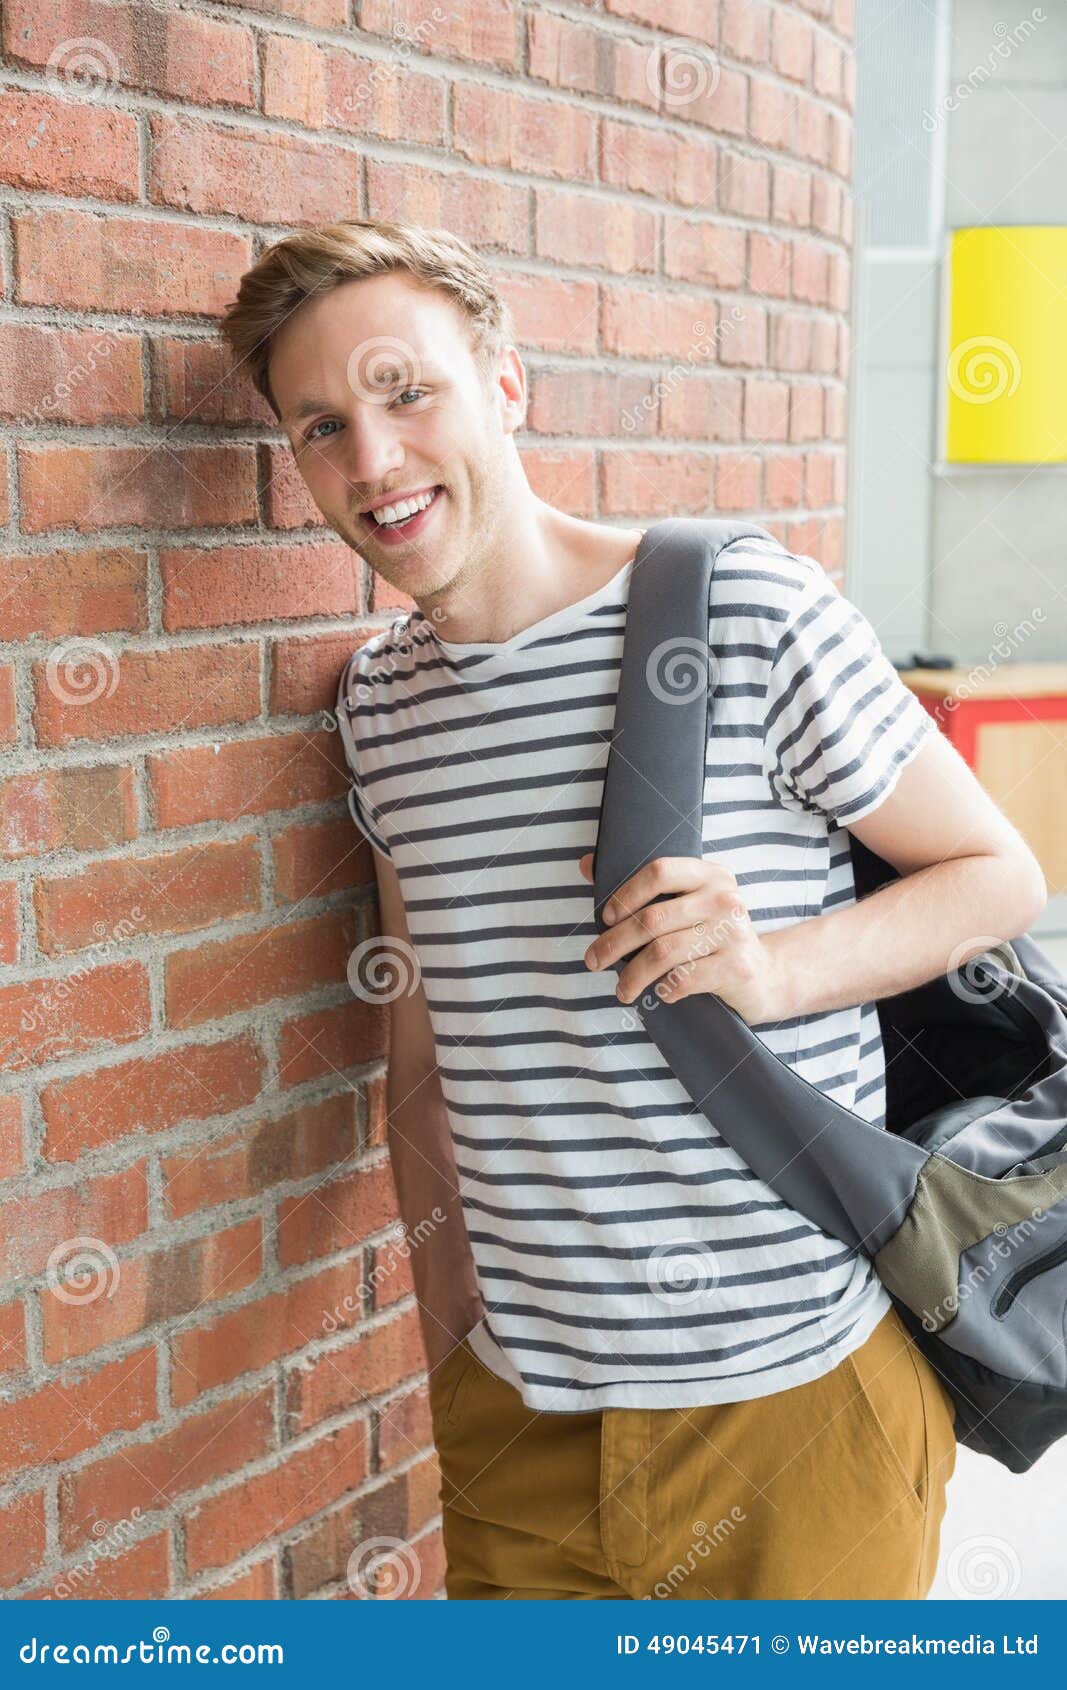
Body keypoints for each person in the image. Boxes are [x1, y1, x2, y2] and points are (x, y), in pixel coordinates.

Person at [219, 220, 1047, 1600]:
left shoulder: (746, 609)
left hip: (797, 1407)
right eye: (319, 428)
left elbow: (997, 873)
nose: (370, 462)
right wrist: (450, 1353)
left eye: (405, 392)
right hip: (522, 1425)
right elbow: (421, 1059)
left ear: (505, 385)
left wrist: (775, 972)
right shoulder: (378, 709)